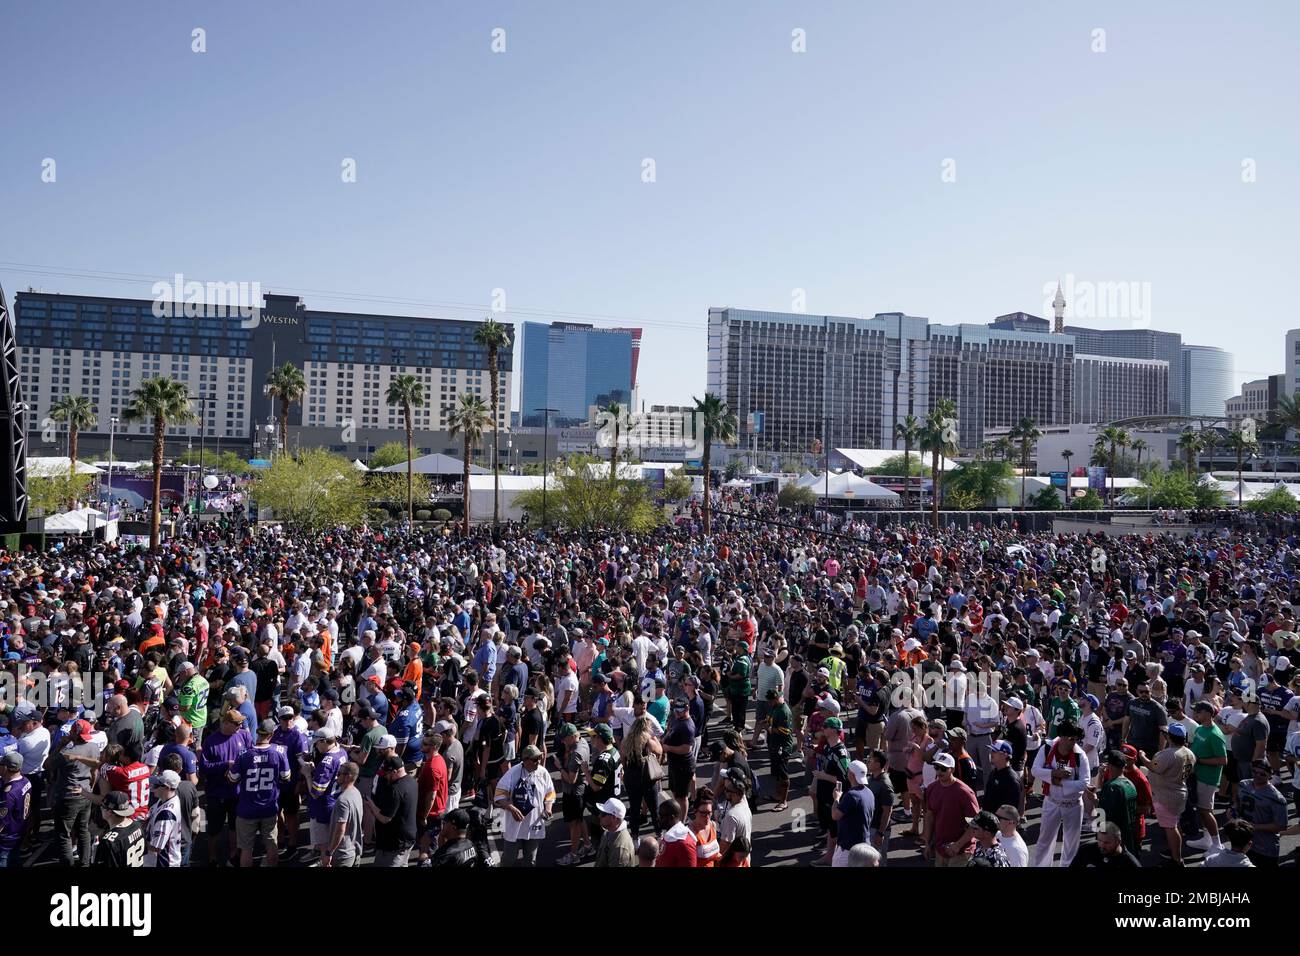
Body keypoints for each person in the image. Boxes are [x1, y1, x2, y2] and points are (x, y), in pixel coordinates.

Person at [228, 718, 291, 867]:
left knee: (246, 849)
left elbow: (232, 778)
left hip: (247, 809)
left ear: (258, 733)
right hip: (268, 808)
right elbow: (286, 777)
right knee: (271, 844)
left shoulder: (244, 754)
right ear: (271, 734)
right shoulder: (279, 752)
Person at [1030, 722, 1089, 867]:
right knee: (1045, 839)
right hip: (1052, 801)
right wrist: (1053, 773)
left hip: (1073, 804)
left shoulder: (1080, 756)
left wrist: (1061, 782)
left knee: (1071, 843)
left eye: (1076, 739)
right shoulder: (1047, 748)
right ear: (1062, 737)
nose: (1074, 742)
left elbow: (1085, 783)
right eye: (1071, 739)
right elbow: (1035, 770)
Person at [1138, 723, 1195, 865]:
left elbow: (1152, 767)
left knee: (1171, 827)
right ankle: (1175, 850)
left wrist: (1142, 756)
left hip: (1166, 796)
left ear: (1170, 737)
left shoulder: (1169, 754)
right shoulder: (1189, 752)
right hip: (1179, 792)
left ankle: (1177, 859)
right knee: (1175, 824)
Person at [494, 745, 555, 866]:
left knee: (531, 860)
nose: (538, 761)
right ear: (525, 760)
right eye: (535, 759)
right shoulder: (512, 773)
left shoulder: (543, 772)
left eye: (540, 757)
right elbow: (499, 796)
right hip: (513, 825)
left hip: (534, 823)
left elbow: (550, 793)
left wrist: (548, 809)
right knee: (509, 859)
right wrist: (511, 808)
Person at [924, 751, 980, 867]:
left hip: (962, 850)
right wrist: (927, 843)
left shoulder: (965, 792)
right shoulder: (931, 788)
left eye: (943, 769)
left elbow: (975, 824)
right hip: (941, 849)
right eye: (936, 767)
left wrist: (957, 845)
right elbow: (930, 816)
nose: (939, 772)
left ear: (952, 770)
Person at [1186, 700, 1228, 854]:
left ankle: (1217, 845)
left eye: (1198, 711)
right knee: (1201, 809)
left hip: (1208, 779)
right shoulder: (1200, 729)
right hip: (1198, 775)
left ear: (1208, 714)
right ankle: (1206, 839)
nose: (1195, 713)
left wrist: (1200, 760)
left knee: (1206, 810)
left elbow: (1223, 760)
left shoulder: (1215, 734)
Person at [367, 754, 418, 866]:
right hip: (407, 839)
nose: (385, 776)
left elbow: (385, 818)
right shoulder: (412, 781)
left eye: (387, 773)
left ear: (394, 772)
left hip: (394, 844)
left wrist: (372, 806)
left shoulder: (395, 790)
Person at [1235, 759, 1288, 866]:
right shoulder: (1243, 784)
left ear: (1270, 775)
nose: (1257, 775)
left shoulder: (1276, 798)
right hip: (1243, 842)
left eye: (1262, 774)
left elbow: (1281, 825)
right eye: (1254, 771)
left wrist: (1255, 827)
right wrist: (1233, 810)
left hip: (1264, 847)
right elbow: (1236, 802)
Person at [830, 759, 875, 867]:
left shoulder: (852, 795)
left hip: (848, 850)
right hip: (864, 848)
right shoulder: (869, 792)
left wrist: (836, 799)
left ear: (852, 775)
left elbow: (835, 815)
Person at [1096, 750, 1140, 856]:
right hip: (1128, 838)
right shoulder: (1130, 784)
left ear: (1110, 766)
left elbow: (1102, 815)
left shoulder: (1112, 787)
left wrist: (1094, 800)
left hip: (1112, 841)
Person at [323, 761, 363, 867]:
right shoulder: (356, 792)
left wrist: (329, 852)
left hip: (342, 854)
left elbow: (341, 829)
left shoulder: (343, 800)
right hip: (354, 850)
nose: (336, 777)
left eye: (339, 774)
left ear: (348, 777)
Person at [92, 790, 146, 868]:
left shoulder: (109, 841)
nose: (100, 809)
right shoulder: (138, 825)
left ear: (109, 812)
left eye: (102, 806)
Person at [145, 770, 184, 867]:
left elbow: (156, 847)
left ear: (167, 788)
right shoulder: (166, 799)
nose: (152, 789)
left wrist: (137, 842)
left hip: (163, 862)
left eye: (156, 786)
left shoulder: (166, 814)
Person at [0, 752, 31, 869]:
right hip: (19, 833)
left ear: (5, 768)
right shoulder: (26, 781)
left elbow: (2, 822)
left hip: (6, 841)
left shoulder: (8, 794)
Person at [716, 767, 753, 867]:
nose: (725, 791)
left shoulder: (732, 815)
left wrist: (716, 861)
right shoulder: (744, 802)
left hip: (734, 862)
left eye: (727, 790)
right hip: (744, 859)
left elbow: (725, 844)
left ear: (734, 793)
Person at [1069, 821, 1141, 868]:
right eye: (1099, 840)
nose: (1102, 845)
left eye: (1107, 842)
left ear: (1118, 842)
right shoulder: (1086, 850)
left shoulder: (1130, 863)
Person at [595, 798, 635, 867]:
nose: (599, 816)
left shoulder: (620, 849)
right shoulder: (608, 830)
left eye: (603, 814)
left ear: (614, 818)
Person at [655, 799, 698, 866]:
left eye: (661, 816)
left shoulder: (684, 843)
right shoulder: (671, 836)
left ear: (671, 817)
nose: (658, 819)